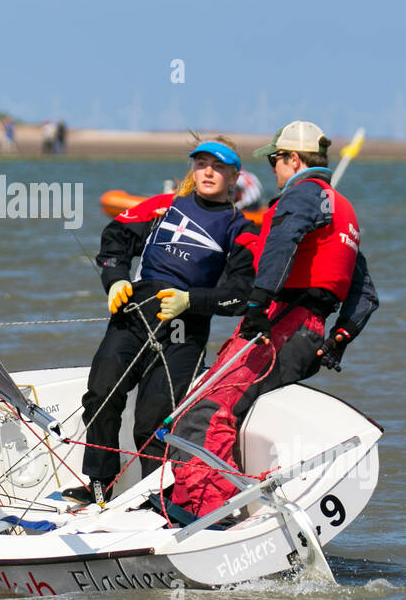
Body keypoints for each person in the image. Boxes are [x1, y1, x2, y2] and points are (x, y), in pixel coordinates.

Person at [166, 121, 378, 518]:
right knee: (225, 404)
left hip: (283, 324)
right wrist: (339, 340)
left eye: (275, 161)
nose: (272, 170)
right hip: (309, 333)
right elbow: (365, 294)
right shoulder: (343, 211)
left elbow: (282, 243)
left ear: (293, 160)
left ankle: (204, 511)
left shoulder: (302, 195)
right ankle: (218, 496)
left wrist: (257, 308)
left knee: (207, 408)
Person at [63, 139, 260, 506]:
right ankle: (98, 486)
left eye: (218, 167)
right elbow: (114, 240)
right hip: (136, 311)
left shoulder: (239, 228)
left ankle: (153, 501)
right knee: (102, 394)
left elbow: (241, 293)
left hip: (185, 328)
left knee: (152, 421)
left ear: (234, 176)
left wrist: (192, 300)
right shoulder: (164, 206)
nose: (208, 172)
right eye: (201, 164)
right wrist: (116, 279)